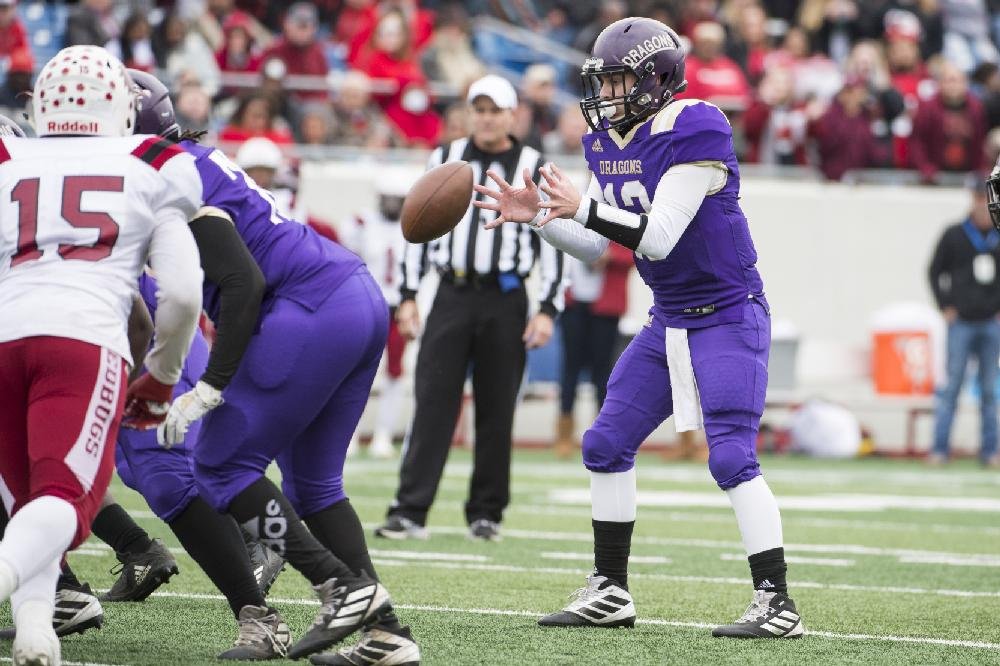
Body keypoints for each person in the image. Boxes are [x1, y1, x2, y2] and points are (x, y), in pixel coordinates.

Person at [474, 18, 805, 639]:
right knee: (604, 444)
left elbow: (656, 234)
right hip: (668, 318)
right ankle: (610, 590)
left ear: (656, 78)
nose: (608, 93)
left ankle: (776, 601)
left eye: (620, 79)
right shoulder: (612, 140)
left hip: (728, 315)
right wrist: (541, 216)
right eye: (604, 81)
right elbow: (596, 244)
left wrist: (582, 207)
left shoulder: (696, 125)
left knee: (731, 455)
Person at [129, 70, 421, 664]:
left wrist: (212, 383)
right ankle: (388, 636)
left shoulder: (164, 174)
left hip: (303, 306)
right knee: (314, 486)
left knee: (218, 463)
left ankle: (341, 587)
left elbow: (242, 282)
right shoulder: (192, 159)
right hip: (348, 294)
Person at [0, 46, 204, 665]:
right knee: (66, 500)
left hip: (6, 337)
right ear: (121, 105)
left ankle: (37, 630)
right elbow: (183, 294)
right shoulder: (153, 161)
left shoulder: (9, 155)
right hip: (83, 341)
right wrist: (162, 375)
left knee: (30, 501)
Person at [375, 74, 566, 542]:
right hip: (451, 294)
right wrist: (408, 295)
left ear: (512, 114)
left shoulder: (534, 164)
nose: (485, 118)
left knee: (496, 409)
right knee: (433, 402)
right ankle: (410, 510)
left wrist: (546, 307)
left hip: (506, 297)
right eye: (478, 109)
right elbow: (419, 228)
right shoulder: (445, 158)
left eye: (494, 110)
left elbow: (555, 240)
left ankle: (486, 513)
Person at [342, 172, 415, 458]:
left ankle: (383, 434)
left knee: (395, 372)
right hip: (366, 304)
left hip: (398, 306)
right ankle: (349, 434)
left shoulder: (413, 225)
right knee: (355, 372)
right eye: (389, 199)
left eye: (399, 200)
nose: (393, 205)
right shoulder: (361, 223)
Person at [929, 178, 1000, 468]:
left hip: (990, 323)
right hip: (961, 323)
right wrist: (945, 306)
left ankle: (990, 451)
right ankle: (940, 448)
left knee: (989, 389)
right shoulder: (955, 234)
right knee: (952, 386)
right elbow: (935, 271)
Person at [554, 245, 634, 458]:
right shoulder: (568, 216)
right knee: (569, 370)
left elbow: (635, 251)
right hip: (572, 304)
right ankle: (564, 434)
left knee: (604, 373)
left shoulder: (621, 215)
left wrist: (609, 257)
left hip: (606, 307)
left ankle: (603, 433)